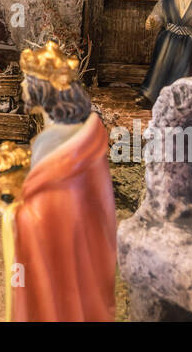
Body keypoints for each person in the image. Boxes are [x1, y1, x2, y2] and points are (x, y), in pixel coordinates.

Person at [12, 41, 117, 322]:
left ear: (42, 89)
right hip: (82, 252)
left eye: (26, 80)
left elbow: (55, 213)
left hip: (63, 259)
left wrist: (15, 213)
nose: (22, 86)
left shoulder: (60, 148)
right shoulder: (83, 133)